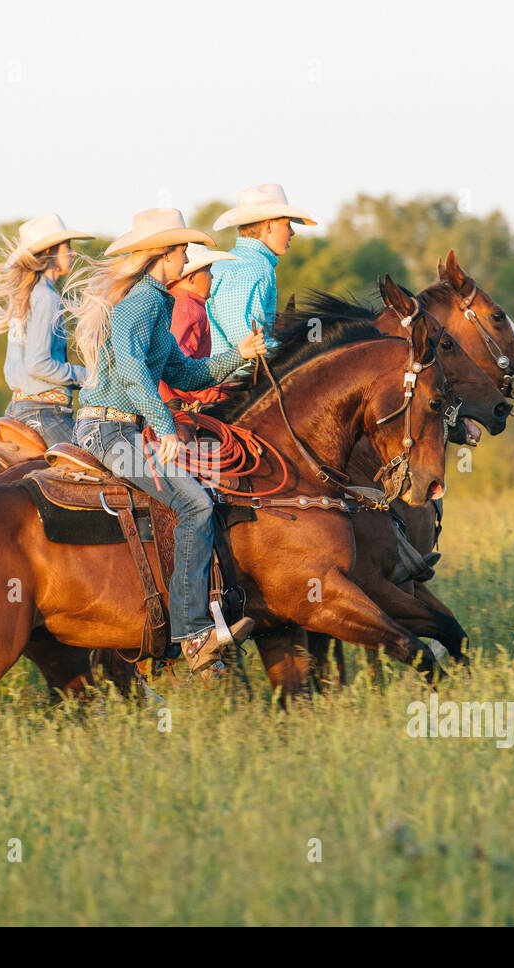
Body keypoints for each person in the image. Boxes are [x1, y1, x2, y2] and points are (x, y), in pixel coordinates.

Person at [69, 208, 267, 673]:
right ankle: (193, 631)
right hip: (108, 430)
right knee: (195, 504)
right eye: (181, 251)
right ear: (162, 254)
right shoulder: (139, 302)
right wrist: (162, 424)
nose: (187, 259)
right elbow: (136, 374)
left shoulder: (156, 302)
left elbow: (183, 371)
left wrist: (237, 356)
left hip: (119, 425)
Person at [0, 212, 93, 446]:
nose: (73, 253)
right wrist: (90, 376)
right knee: (102, 466)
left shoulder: (24, 296)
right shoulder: (46, 297)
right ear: (49, 252)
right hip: (45, 413)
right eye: (67, 247)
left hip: (17, 409)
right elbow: (39, 365)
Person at [207, 183, 317, 380]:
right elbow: (244, 335)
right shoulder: (254, 266)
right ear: (268, 225)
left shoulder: (231, 261)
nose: (292, 232)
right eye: (287, 224)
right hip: (233, 384)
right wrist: (295, 353)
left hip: (219, 376)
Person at [158, 244, 237, 408]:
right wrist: (222, 393)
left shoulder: (175, 303)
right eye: (208, 270)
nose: (212, 276)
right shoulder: (188, 308)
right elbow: (179, 372)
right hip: (179, 404)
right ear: (191, 277)